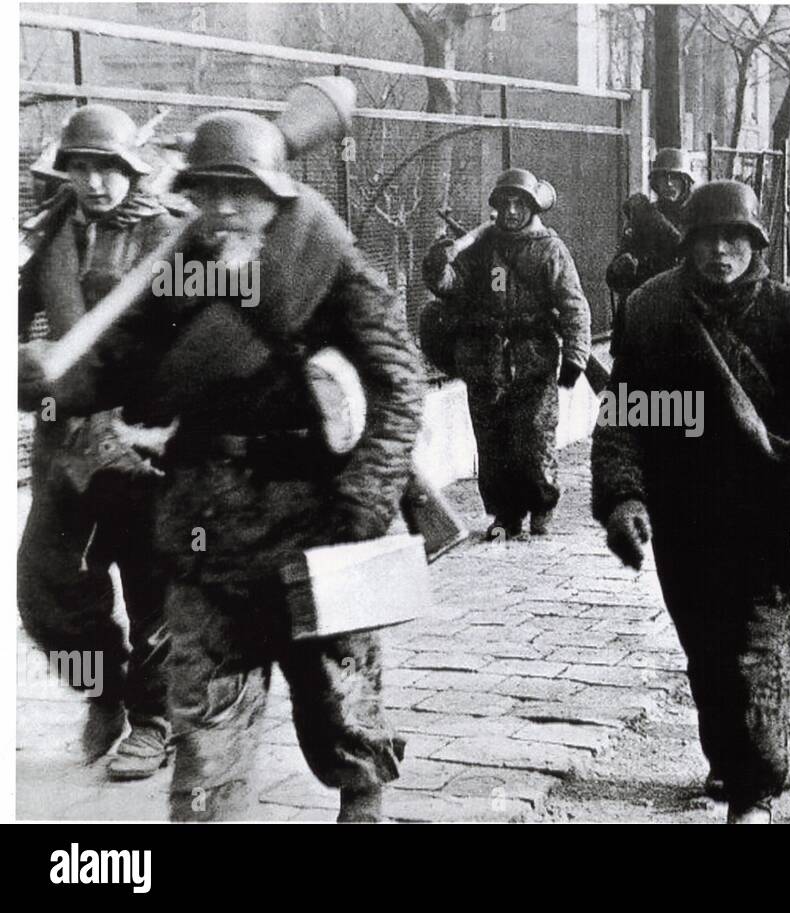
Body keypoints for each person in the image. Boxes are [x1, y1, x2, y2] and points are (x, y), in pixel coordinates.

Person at [20, 109, 423, 822]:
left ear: (278, 194)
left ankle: (364, 797)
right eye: (208, 190)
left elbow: (397, 379)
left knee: (340, 701)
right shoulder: (176, 271)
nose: (225, 206)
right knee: (206, 735)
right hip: (206, 529)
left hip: (321, 517)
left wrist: (368, 493)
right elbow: (119, 365)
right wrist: (55, 382)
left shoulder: (327, 265)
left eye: (242, 190)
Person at [591, 180, 790, 824]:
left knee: (751, 653)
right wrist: (623, 497)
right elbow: (624, 413)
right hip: (686, 515)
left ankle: (755, 792)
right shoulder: (653, 309)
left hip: (773, 519)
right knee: (704, 650)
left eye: (736, 239)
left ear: (755, 244)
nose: (721, 253)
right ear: (689, 243)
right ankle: (729, 760)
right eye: (708, 239)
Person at [17, 104, 182, 781]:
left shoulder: (172, 238)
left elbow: (198, 338)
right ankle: (104, 693)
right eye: (80, 168)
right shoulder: (50, 236)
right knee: (46, 591)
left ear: (129, 169)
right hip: (65, 448)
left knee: (154, 593)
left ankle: (156, 717)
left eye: (105, 167)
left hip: (142, 446)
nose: (93, 182)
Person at [423, 167, 592, 539]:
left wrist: (576, 356)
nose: (513, 211)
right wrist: (439, 261)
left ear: (533, 207)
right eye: (506, 203)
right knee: (493, 441)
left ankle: (541, 509)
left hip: (534, 358)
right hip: (487, 361)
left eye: (521, 203)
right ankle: (504, 515)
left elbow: (573, 305)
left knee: (534, 438)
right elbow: (450, 285)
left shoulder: (550, 249)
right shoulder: (482, 249)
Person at [606, 147, 694, 356]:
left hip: (680, 319)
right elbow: (613, 277)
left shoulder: (695, 217)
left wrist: (652, 218)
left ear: (686, 181)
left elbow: (684, 250)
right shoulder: (642, 217)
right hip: (641, 317)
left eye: (675, 177)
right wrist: (621, 268)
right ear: (655, 182)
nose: (669, 184)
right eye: (663, 178)